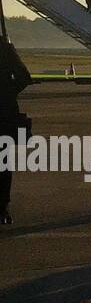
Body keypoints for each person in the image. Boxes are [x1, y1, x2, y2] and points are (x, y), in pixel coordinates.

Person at [0, 38, 33, 225]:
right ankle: (2, 206)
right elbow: (23, 76)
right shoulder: (4, 47)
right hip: (4, 110)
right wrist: (7, 92)